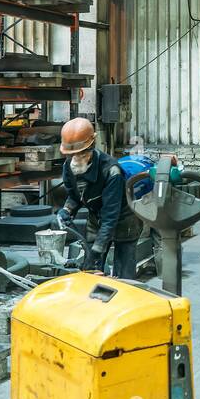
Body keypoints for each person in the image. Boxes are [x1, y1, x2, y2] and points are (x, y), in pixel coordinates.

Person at [56, 117, 141, 278]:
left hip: (124, 219)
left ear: (91, 147)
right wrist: (67, 210)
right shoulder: (69, 166)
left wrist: (97, 249)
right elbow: (75, 196)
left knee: (124, 276)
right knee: (90, 271)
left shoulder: (111, 171)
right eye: (72, 154)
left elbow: (111, 216)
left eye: (80, 153)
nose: (75, 158)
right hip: (97, 219)